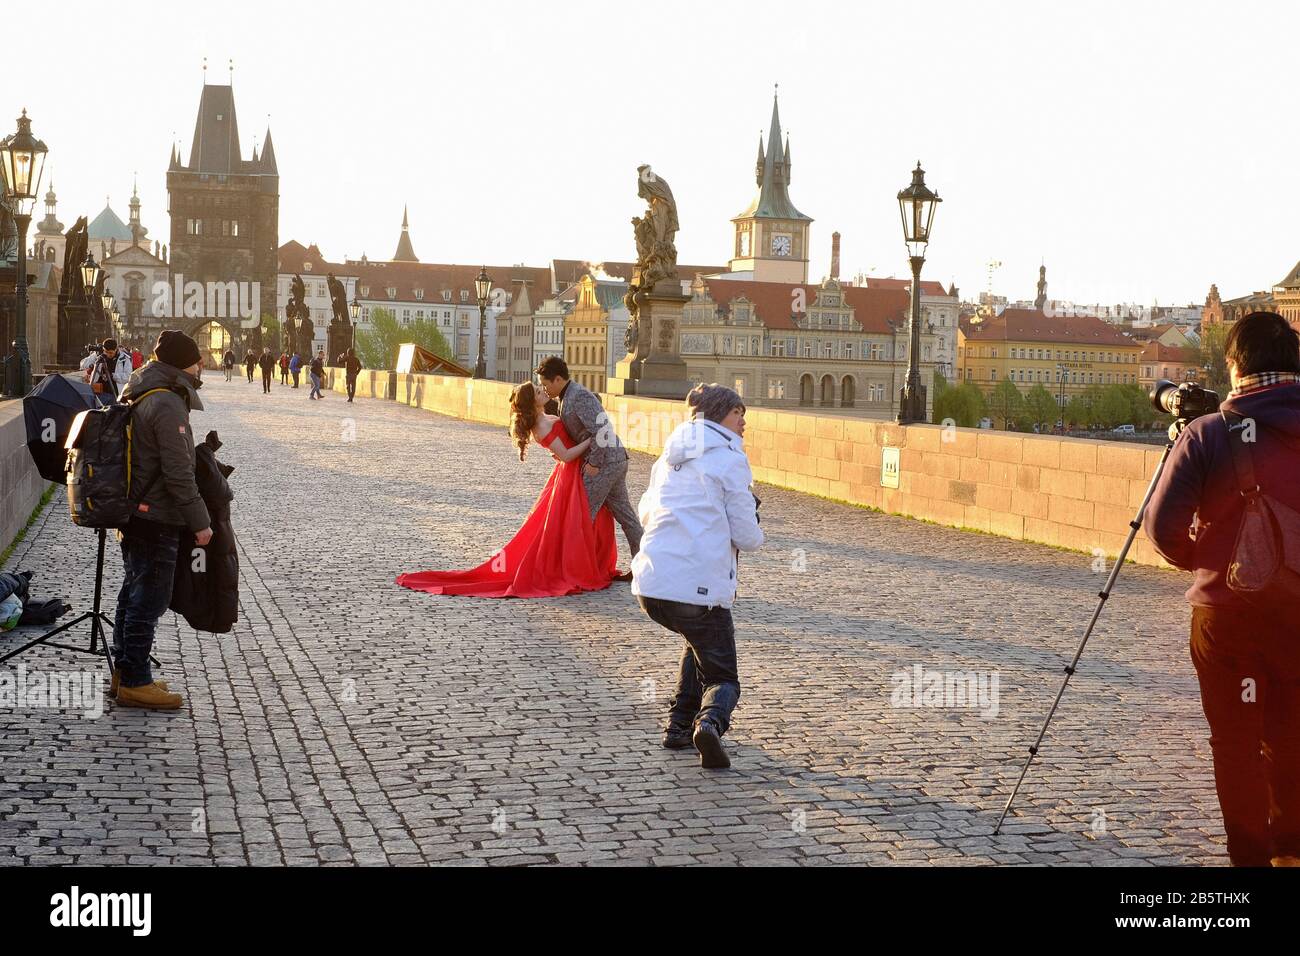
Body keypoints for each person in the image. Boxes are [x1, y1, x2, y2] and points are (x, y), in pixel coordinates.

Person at [1147, 311, 1300, 867]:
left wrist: (1208, 562)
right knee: (1292, 738)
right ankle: (1291, 853)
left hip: (1228, 616)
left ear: (1236, 366)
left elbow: (1163, 529)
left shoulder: (1207, 434)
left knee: (1236, 745)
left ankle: (1250, 861)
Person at [631, 384, 763, 769]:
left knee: (696, 641)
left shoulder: (669, 456)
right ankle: (709, 724)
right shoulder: (728, 459)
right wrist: (755, 521)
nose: (744, 423)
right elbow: (746, 535)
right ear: (721, 414)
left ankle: (677, 727)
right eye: (739, 414)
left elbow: (645, 513)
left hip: (652, 586)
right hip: (698, 588)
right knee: (724, 677)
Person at [396, 381, 619, 597]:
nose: (542, 389)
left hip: (575, 473)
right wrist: (592, 440)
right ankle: (578, 568)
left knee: (587, 520)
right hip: (570, 476)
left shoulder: (546, 416)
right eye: (536, 390)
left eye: (540, 386)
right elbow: (567, 456)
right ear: (532, 401)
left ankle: (592, 564)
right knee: (573, 525)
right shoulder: (540, 426)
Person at [111, 330, 214, 710]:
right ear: (180, 364)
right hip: (156, 515)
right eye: (196, 358)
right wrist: (200, 522)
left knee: (132, 591)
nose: (201, 363)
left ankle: (124, 671)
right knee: (148, 599)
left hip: (136, 512)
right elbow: (178, 472)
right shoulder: (168, 403)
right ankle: (136, 680)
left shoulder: (142, 391)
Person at [536, 357, 641, 580]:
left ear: (557, 379)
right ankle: (644, 568)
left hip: (604, 463)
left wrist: (594, 462)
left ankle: (577, 571)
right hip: (614, 460)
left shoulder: (579, 396)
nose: (545, 388)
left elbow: (603, 428)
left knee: (581, 515)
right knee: (626, 516)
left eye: (546, 384)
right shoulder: (567, 396)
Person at [89, 337, 132, 403]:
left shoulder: (125, 359)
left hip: (115, 394)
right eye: (106, 352)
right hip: (98, 394)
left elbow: (128, 377)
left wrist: (113, 376)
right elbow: (83, 364)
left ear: (116, 349)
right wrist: (95, 356)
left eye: (111, 353)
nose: (108, 354)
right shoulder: (99, 356)